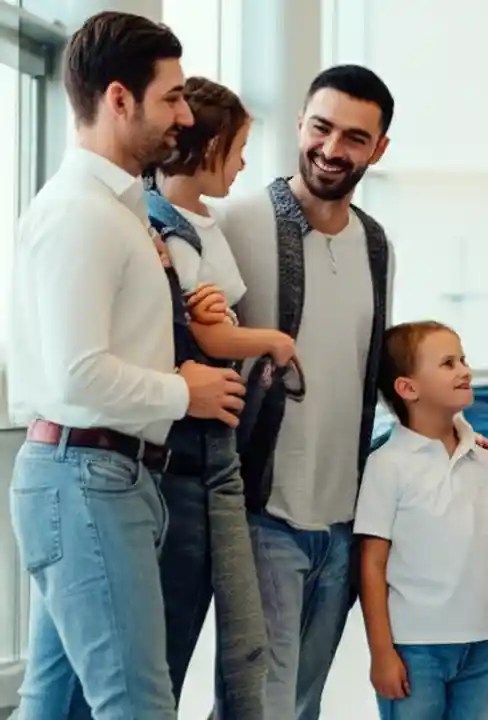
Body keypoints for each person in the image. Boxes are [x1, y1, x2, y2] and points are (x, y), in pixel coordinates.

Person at [4, 12, 245, 719]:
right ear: (118, 99)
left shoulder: (116, 211)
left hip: (100, 475)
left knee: (57, 706)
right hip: (87, 477)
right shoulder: (82, 214)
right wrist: (184, 391)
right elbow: (77, 375)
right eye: (170, 98)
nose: (185, 116)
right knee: (137, 705)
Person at [207, 64, 398, 719]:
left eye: (354, 138)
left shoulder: (377, 245)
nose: (331, 148)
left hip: (342, 521)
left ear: (378, 149)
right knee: (261, 705)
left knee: (302, 704)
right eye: (321, 127)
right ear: (299, 124)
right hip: (263, 512)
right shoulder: (237, 221)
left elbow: (374, 367)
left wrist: (451, 432)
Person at [146, 76, 298, 718]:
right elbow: (205, 333)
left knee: (237, 642)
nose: (242, 163)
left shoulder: (200, 225)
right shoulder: (167, 229)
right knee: (174, 639)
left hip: (216, 456)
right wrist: (272, 340)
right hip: (188, 458)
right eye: (237, 150)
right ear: (208, 149)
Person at [355, 320, 488, 720]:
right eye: (448, 363)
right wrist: (381, 653)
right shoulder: (387, 465)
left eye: (463, 360)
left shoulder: (482, 460)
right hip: (415, 649)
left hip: (484, 645)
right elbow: (372, 565)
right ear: (408, 388)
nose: (465, 370)